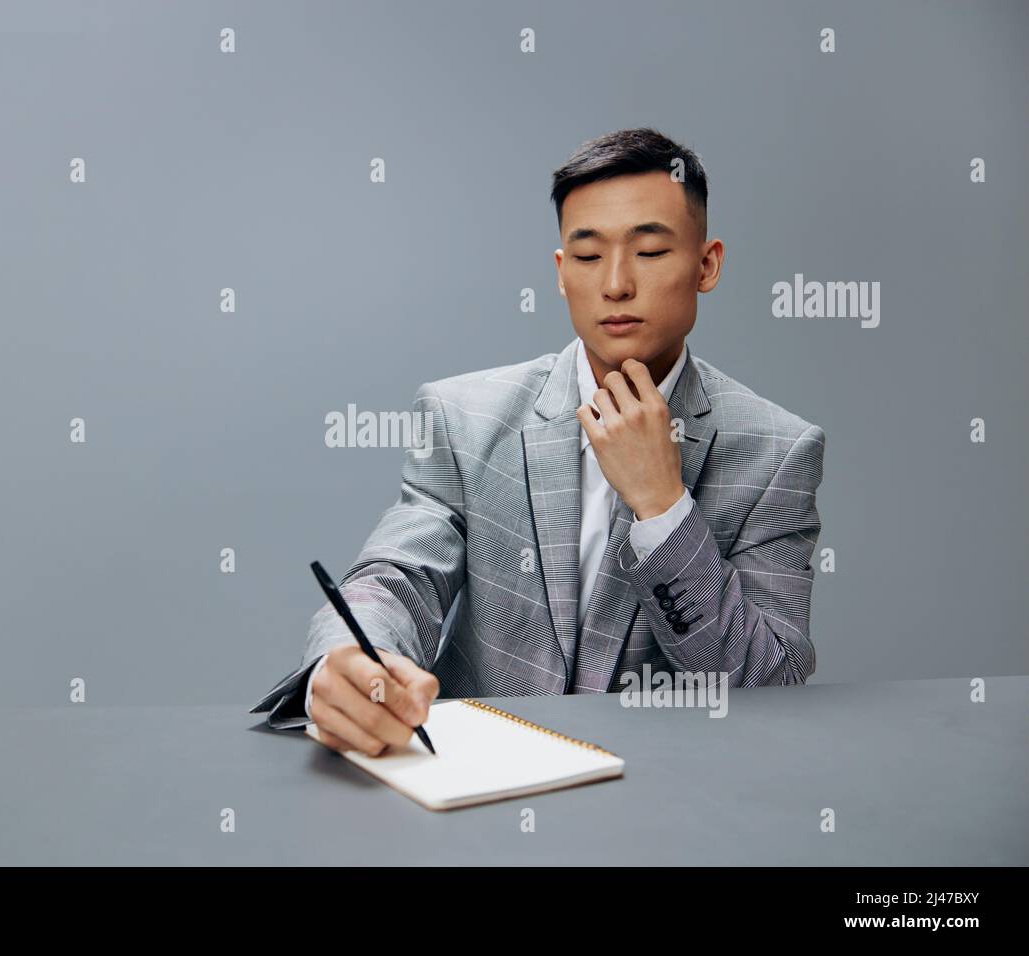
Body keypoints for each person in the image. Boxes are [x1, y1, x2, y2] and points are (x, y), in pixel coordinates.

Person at [251, 127, 826, 756]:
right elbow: (397, 576)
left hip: (668, 802)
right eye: (586, 256)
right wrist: (351, 655)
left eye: (651, 252)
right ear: (560, 273)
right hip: (477, 789)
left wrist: (664, 508)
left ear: (706, 265)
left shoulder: (779, 449)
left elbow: (773, 682)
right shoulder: (464, 417)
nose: (615, 285)